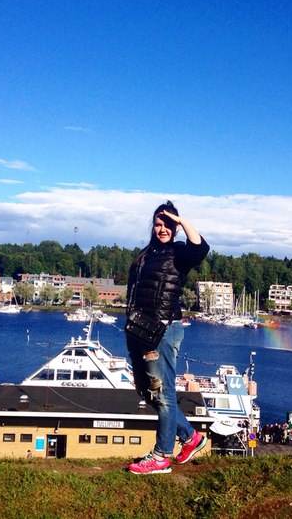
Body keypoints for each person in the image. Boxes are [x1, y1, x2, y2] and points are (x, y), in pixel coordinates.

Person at [126, 201, 210, 475]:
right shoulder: (146, 254)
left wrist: (180, 220)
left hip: (163, 329)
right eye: (158, 224)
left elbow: (201, 248)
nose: (162, 229)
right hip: (140, 328)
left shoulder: (180, 252)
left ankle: (161, 456)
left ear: (175, 228)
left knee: (164, 394)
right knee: (148, 391)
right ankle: (190, 437)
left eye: (167, 225)